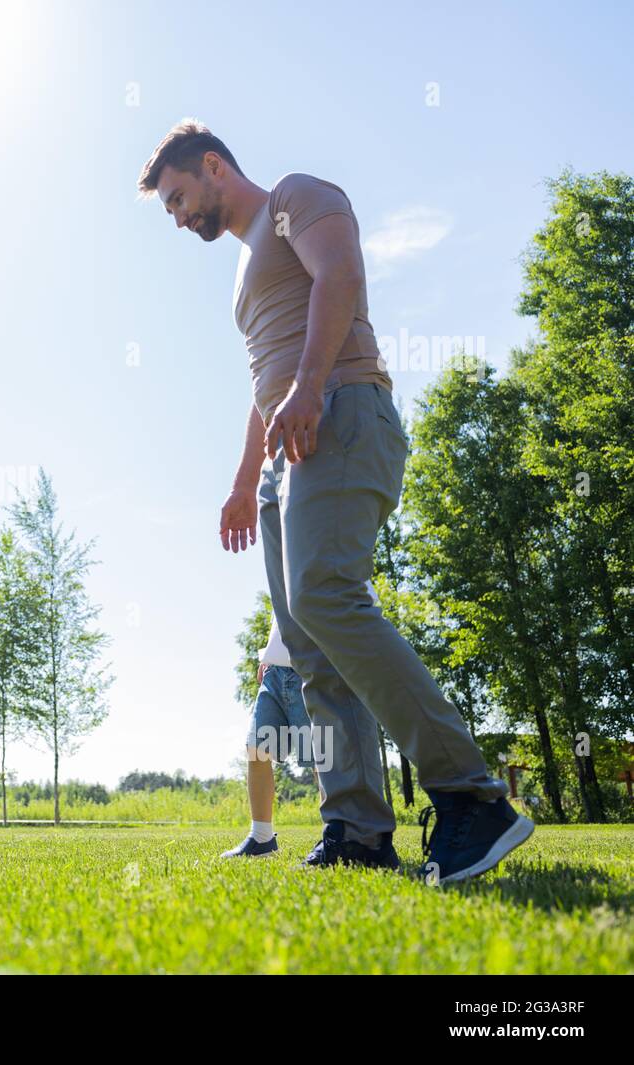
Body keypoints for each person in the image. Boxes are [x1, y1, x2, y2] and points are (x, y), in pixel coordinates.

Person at [138, 121, 533, 883]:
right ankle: (355, 825)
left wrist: (311, 386)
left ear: (214, 166)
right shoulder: (245, 269)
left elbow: (341, 275)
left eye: (180, 198)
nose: (180, 218)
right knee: (309, 647)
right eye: (170, 210)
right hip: (288, 450)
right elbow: (265, 382)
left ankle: (471, 796)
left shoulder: (297, 198)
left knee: (326, 593)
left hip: (344, 410)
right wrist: (243, 479)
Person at [223, 582, 382, 859]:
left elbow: (365, 605)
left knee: (323, 759)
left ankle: (336, 837)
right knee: (257, 749)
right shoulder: (283, 564)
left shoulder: (329, 556)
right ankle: (261, 837)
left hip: (314, 669)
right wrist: (270, 653)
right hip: (275, 673)